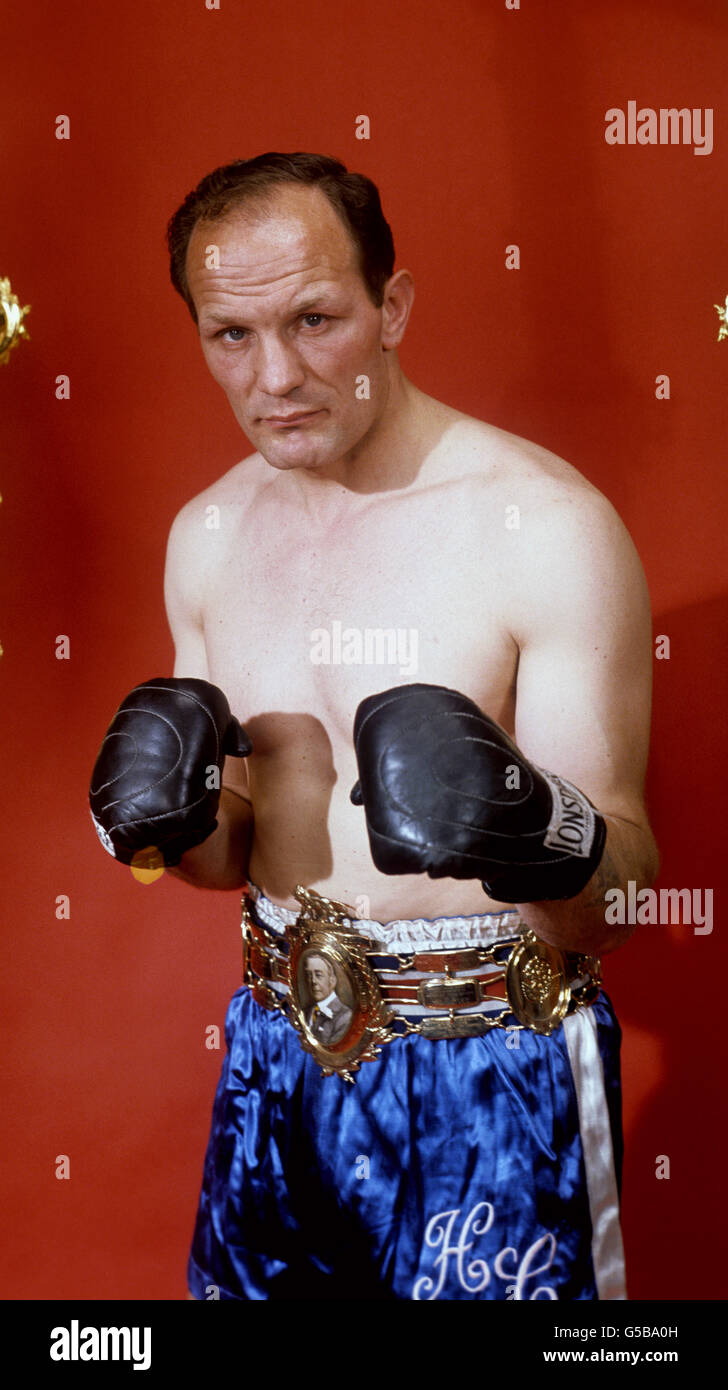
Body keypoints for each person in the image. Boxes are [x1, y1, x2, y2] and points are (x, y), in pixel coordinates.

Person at [89, 152, 658, 1302]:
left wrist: (525, 827)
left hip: (493, 1072)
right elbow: (230, 852)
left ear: (390, 307)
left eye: (314, 318)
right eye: (230, 335)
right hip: (272, 1051)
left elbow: (628, 896)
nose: (277, 375)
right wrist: (160, 828)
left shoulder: (540, 527)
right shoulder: (207, 536)